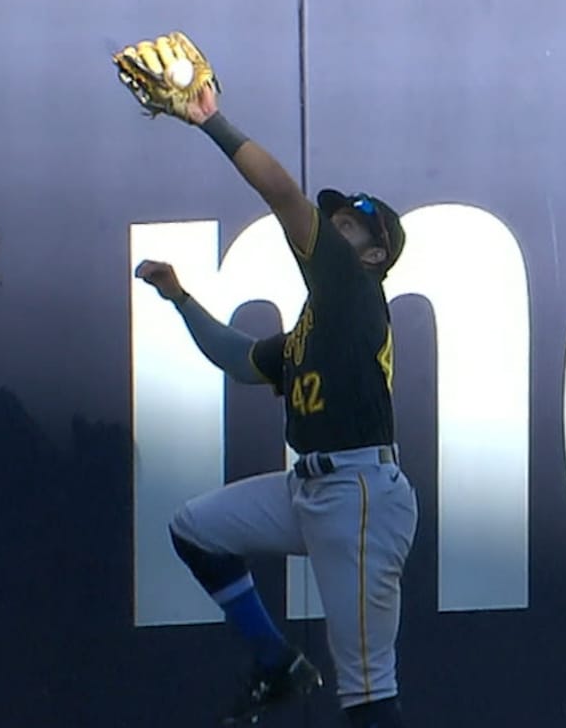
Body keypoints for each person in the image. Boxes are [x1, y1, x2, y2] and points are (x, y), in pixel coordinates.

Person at [129, 59, 417, 728]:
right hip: (311, 492)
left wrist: (210, 121)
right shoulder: (318, 323)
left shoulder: (353, 286)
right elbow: (237, 359)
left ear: (373, 254)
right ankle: (275, 661)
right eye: (338, 219)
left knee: (370, 696)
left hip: (361, 499)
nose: (335, 224)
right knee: (193, 530)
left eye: (351, 224)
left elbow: (286, 195)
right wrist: (180, 299)